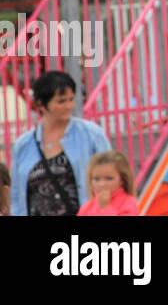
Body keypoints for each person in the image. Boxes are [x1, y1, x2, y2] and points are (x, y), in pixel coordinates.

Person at [9, 70, 111, 216]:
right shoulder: (23, 145)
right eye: (61, 101)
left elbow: (112, 177)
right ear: (41, 104)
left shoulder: (91, 135)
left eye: (71, 99)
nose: (69, 105)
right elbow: (17, 197)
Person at [77, 150, 138, 216]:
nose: (102, 184)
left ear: (122, 180)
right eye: (96, 179)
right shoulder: (87, 207)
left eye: (109, 178)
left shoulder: (129, 203)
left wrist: (106, 209)